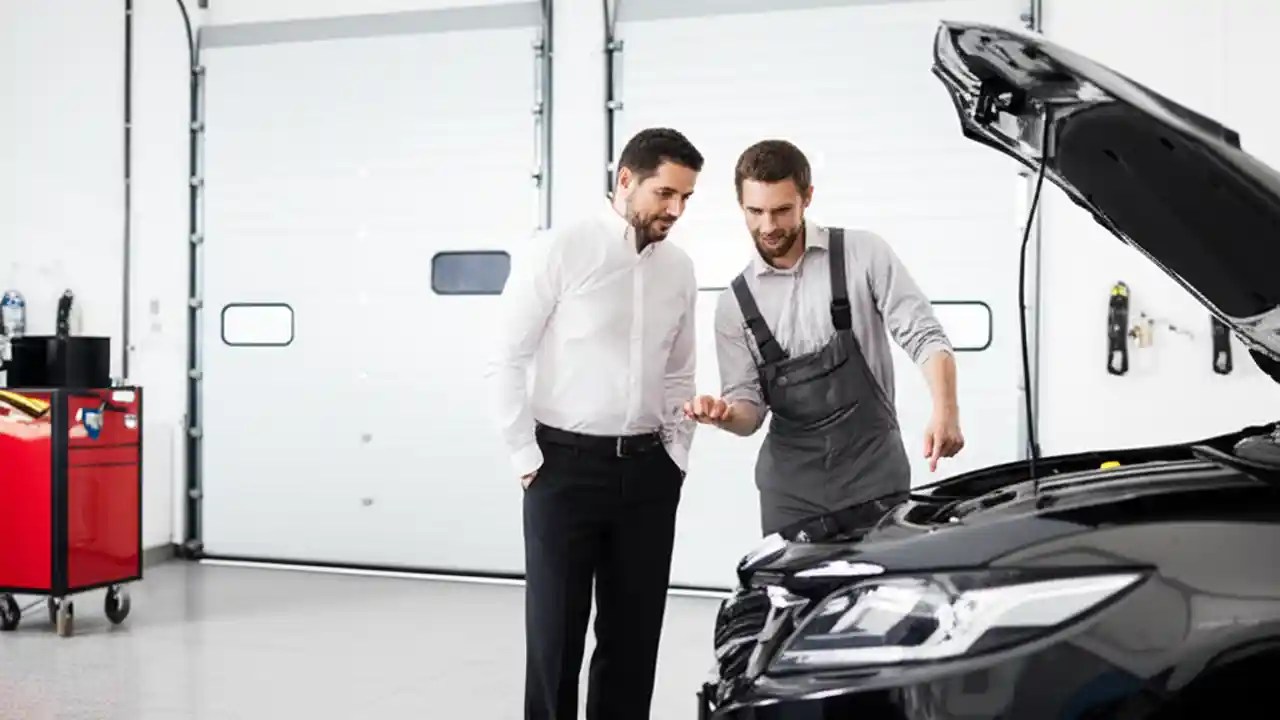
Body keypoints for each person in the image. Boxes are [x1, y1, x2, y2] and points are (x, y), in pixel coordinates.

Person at [485, 127, 703, 720]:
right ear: (625, 180)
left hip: (649, 475)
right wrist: (527, 460)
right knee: (555, 643)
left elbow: (680, 373)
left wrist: (675, 459)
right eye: (665, 193)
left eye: (686, 197)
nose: (676, 210)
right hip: (563, 471)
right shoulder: (561, 249)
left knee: (633, 645)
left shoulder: (679, 269)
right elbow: (505, 357)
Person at [685, 139, 963, 537]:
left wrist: (946, 408)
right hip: (791, 490)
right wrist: (725, 414)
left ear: (807, 197)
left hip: (874, 478)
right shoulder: (734, 304)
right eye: (755, 211)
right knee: (796, 596)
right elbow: (750, 414)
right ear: (740, 206)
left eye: (782, 210)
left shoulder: (862, 253)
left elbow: (923, 334)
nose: (768, 226)